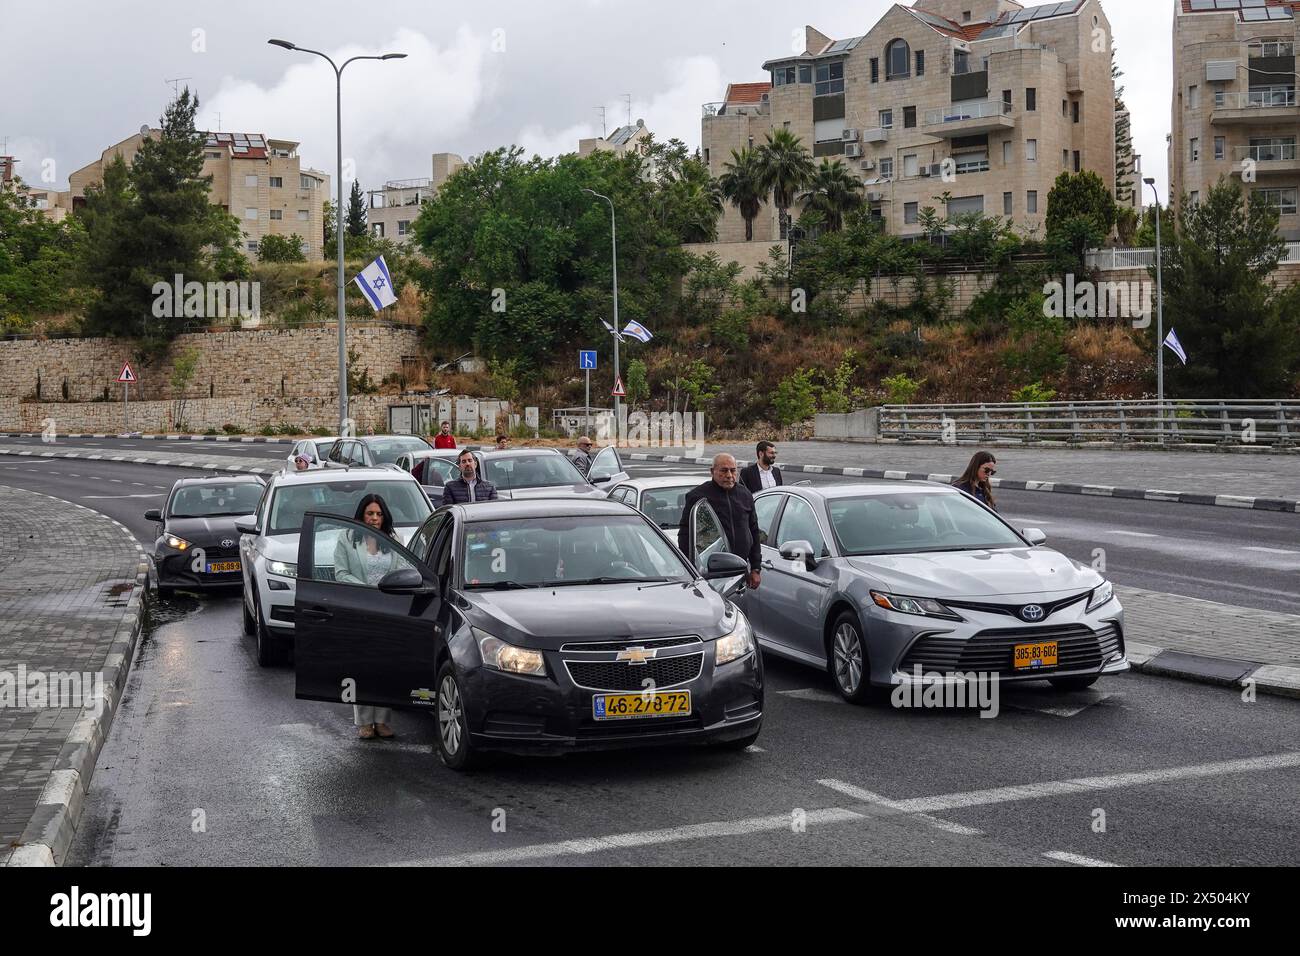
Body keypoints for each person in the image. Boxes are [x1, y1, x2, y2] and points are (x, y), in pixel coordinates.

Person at [334, 494, 403, 739]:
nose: (374, 518)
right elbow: (340, 574)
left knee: (384, 667)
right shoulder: (346, 539)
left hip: (386, 611)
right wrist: (368, 591)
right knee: (363, 667)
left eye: (378, 514)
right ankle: (364, 722)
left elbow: (401, 571)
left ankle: (382, 721)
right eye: (370, 513)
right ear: (361, 515)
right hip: (360, 610)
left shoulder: (394, 539)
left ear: (384, 517)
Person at [678, 454, 761, 591]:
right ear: (712, 471)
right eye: (724, 470)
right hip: (710, 574)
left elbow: (754, 531)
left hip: (740, 572)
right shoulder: (697, 497)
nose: (729, 475)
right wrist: (690, 570)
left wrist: (756, 568)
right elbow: (685, 535)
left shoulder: (745, 494)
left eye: (733, 470)